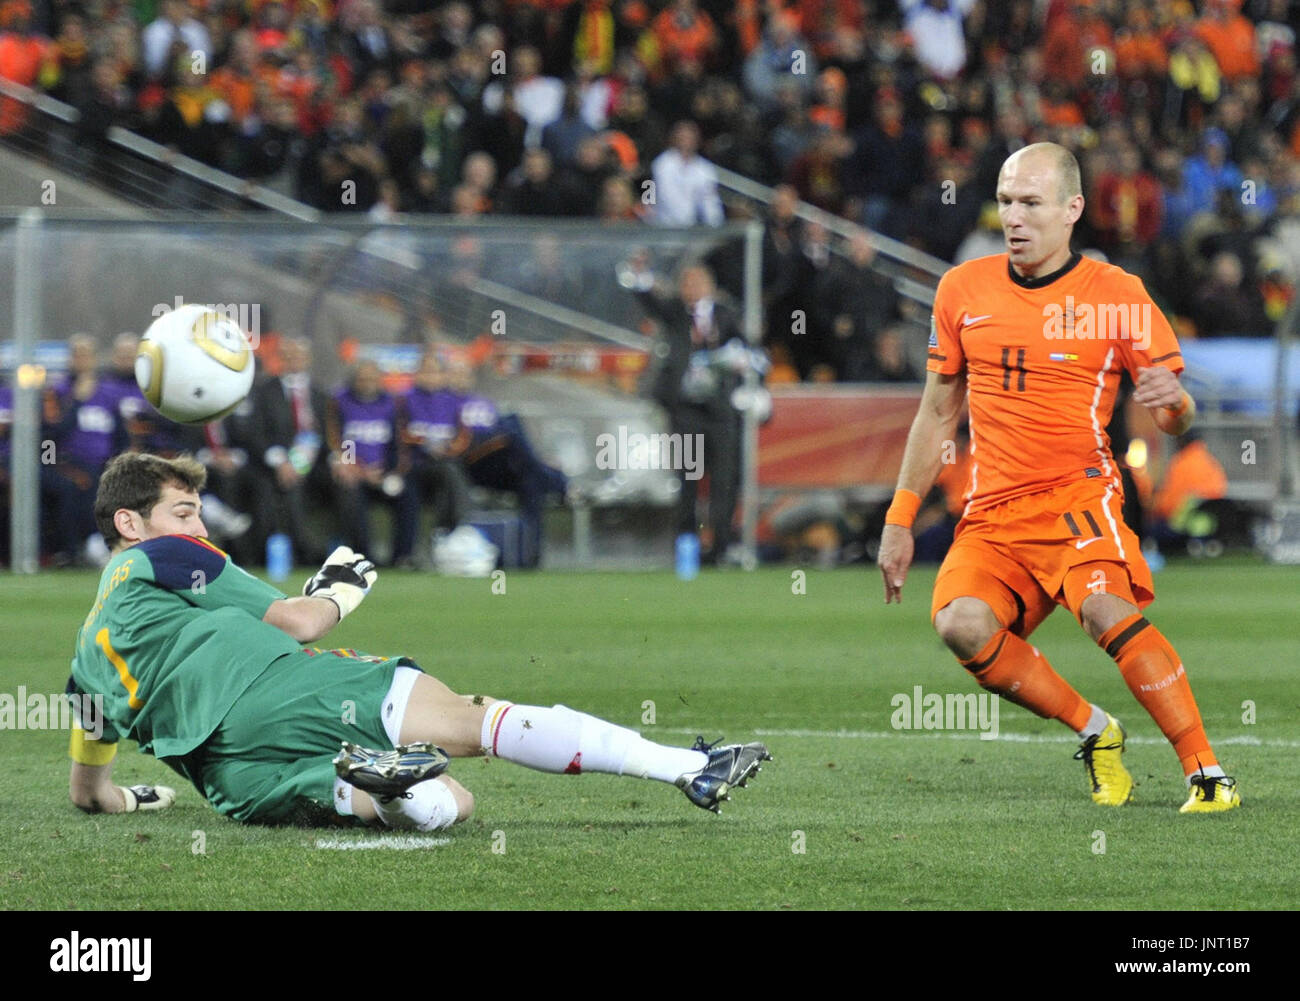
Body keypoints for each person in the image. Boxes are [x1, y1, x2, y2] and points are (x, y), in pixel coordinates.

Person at [65, 452, 770, 828]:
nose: (199, 527)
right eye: (184, 511)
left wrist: (135, 799)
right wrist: (341, 585)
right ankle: (682, 765)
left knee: (449, 802)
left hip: (231, 779)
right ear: (131, 523)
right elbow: (297, 621)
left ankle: (393, 791)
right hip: (277, 691)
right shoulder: (160, 556)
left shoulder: (83, 669)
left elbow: (88, 793)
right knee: (471, 719)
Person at [877, 142, 1240, 814]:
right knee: (959, 623)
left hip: (1079, 497)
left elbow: (1176, 418)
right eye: (1006, 201)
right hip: (993, 513)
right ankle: (1097, 732)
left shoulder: (1117, 296)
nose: (1014, 217)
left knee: (1107, 611)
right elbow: (936, 413)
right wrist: (900, 519)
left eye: (1030, 203)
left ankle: (1207, 772)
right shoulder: (963, 288)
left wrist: (1177, 404)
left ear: (1072, 209)